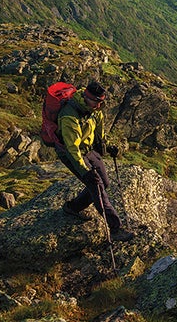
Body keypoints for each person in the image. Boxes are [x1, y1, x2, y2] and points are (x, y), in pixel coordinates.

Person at [56, 80, 135, 242]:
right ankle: (115, 228)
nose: (99, 105)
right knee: (97, 186)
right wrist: (85, 172)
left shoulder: (94, 110)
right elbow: (72, 148)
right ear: (85, 97)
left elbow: (100, 133)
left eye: (101, 102)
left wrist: (108, 145)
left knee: (104, 182)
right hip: (71, 153)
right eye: (96, 102)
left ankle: (73, 207)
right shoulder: (69, 116)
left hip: (88, 149)